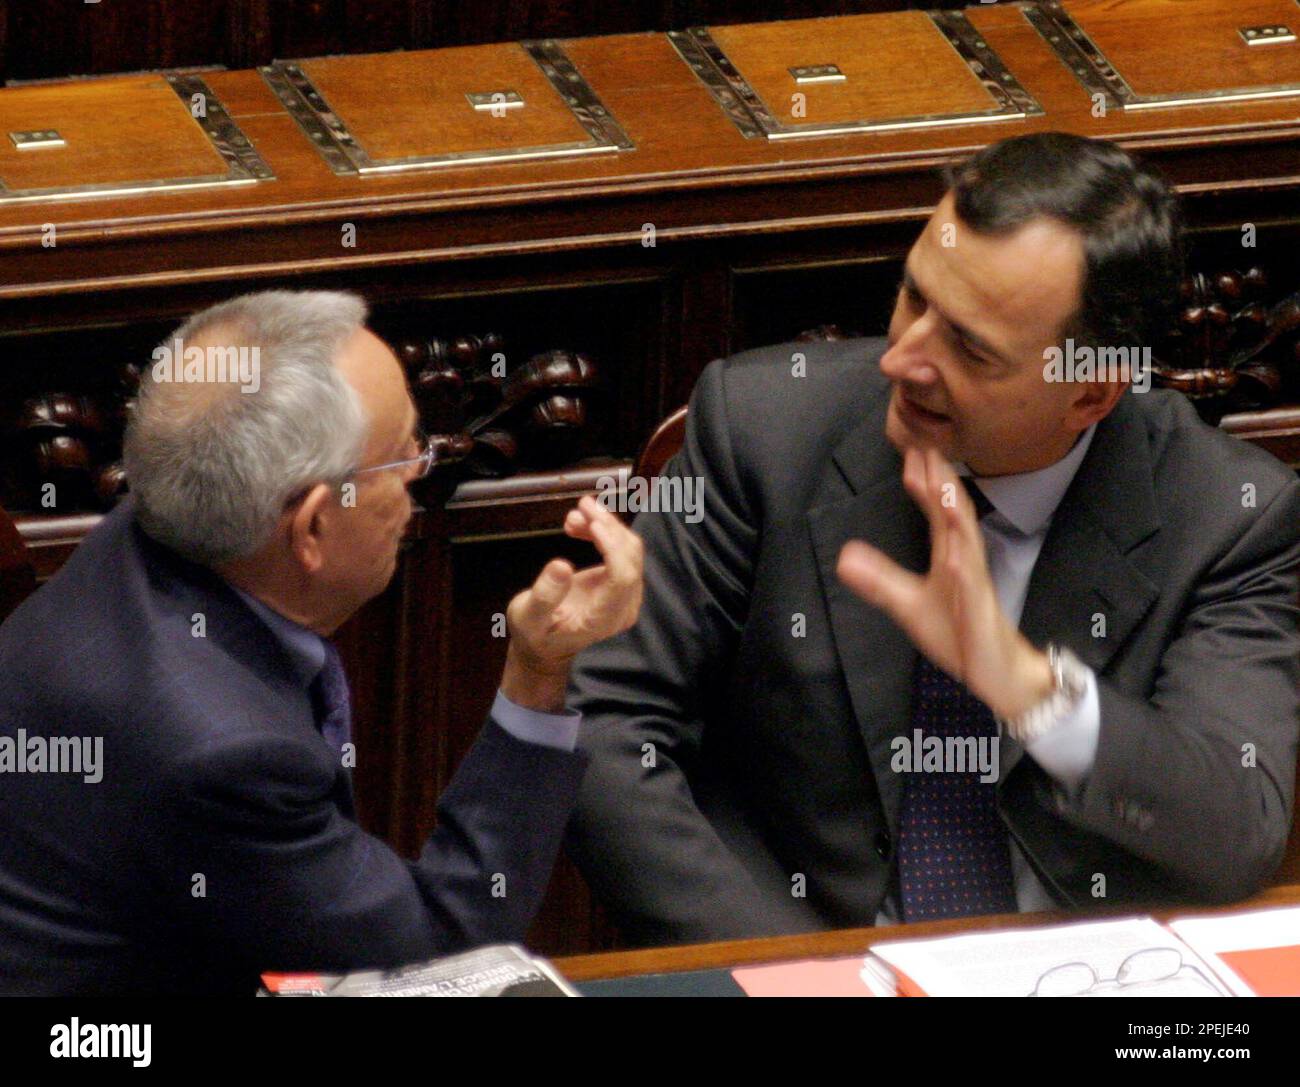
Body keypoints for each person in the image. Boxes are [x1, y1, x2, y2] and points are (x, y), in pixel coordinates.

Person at [567, 132, 1300, 946]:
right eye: (916, 301)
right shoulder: (765, 434)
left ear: (1089, 393)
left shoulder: (1229, 517)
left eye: (970, 348)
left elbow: (1237, 834)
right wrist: (796, 974)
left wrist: (1025, 686)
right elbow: (603, 724)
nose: (902, 360)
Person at [0, 289, 643, 995]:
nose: (420, 477)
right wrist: (538, 674)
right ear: (311, 527)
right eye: (404, 457)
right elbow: (446, 938)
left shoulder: (152, 526)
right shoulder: (218, 750)